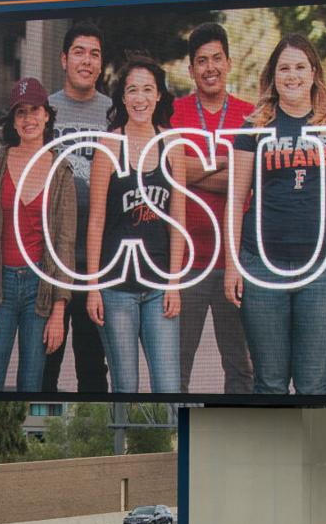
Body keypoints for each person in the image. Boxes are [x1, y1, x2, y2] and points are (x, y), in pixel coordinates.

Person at [225, 34, 326, 395]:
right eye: (284, 67)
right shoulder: (254, 126)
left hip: (323, 268)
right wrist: (232, 265)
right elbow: (235, 197)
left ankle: (311, 450)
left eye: (300, 67)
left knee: (314, 382)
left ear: (314, 72)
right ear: (272, 75)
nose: (292, 75)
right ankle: (269, 451)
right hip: (261, 265)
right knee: (269, 382)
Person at [85, 55, 185, 393]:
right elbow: (96, 219)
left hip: (159, 286)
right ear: (123, 97)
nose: (140, 98)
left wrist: (174, 282)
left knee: (168, 385)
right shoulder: (109, 145)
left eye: (147, 90)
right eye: (132, 90)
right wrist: (93, 286)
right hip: (116, 288)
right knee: (125, 385)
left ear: (158, 96)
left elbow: (178, 219)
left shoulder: (172, 144)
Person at [169, 22, 254, 393]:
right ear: (191, 70)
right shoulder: (173, 112)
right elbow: (171, 172)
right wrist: (226, 161)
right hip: (187, 261)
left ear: (229, 63)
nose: (210, 68)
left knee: (240, 368)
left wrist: (193, 169)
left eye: (216, 58)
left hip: (235, 261)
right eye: (201, 61)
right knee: (177, 370)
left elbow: (249, 181)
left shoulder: (251, 115)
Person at [0, 77, 76, 392]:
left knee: (31, 383)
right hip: (0, 288)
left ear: (47, 114)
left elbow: (65, 244)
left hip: (40, 290)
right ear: (13, 120)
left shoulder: (61, 170)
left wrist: (59, 308)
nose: (29, 119)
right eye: (21, 112)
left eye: (35, 110)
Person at [42, 22, 112, 394]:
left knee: (93, 368)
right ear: (64, 59)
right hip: (53, 260)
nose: (87, 60)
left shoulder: (114, 112)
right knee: (45, 363)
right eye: (80, 52)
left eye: (95, 53)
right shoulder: (44, 111)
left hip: (96, 263)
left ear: (101, 65)